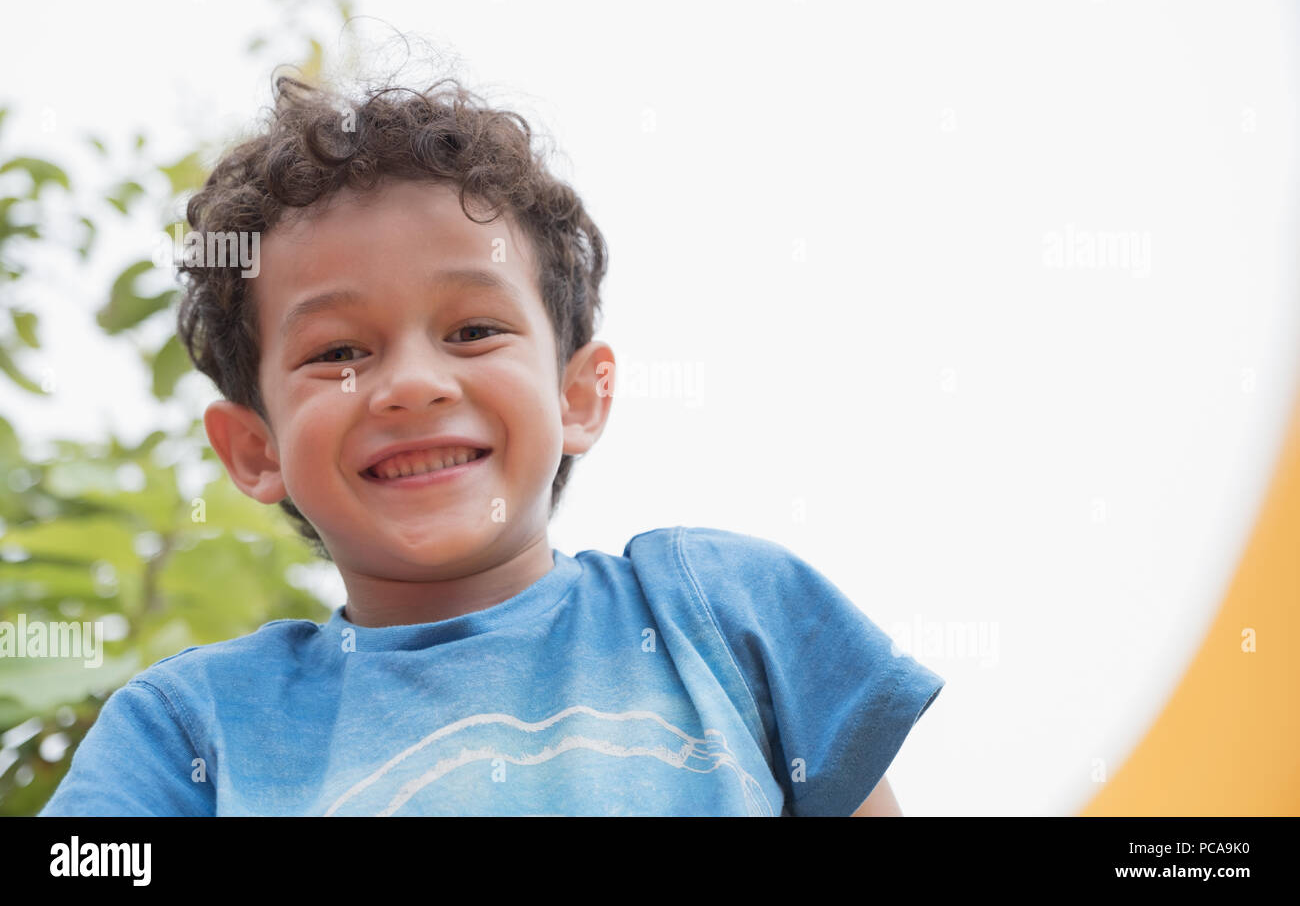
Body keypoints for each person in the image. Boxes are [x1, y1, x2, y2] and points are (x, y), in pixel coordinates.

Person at [39, 70, 943, 816]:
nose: (412, 384)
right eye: (340, 351)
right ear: (254, 451)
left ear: (579, 395)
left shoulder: (727, 613)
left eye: (472, 331)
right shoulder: (188, 734)